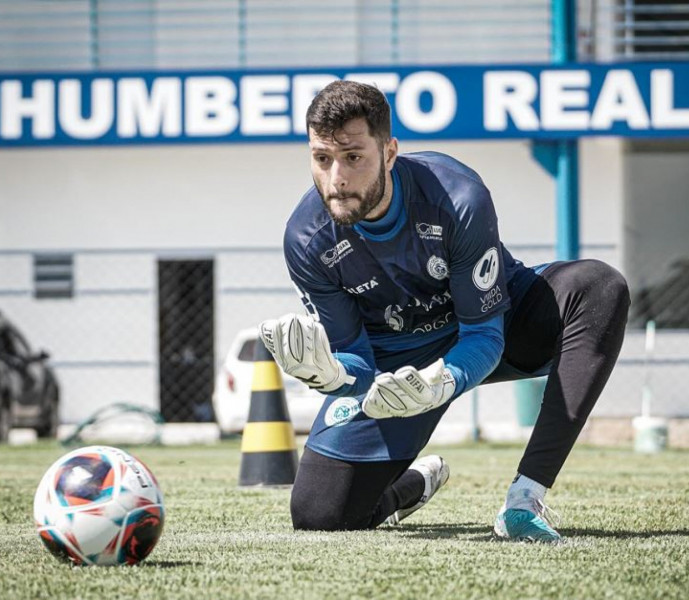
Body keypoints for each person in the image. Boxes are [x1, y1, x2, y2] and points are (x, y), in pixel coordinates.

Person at [259, 80, 630, 542]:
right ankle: (412, 485)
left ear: (389, 153)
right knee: (318, 514)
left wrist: (445, 381)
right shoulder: (306, 239)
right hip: (395, 368)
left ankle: (524, 499)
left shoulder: (456, 196)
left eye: (353, 157)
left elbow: (484, 335)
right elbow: (357, 360)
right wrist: (332, 375)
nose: (336, 179)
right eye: (322, 158)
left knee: (598, 287)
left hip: (492, 325)